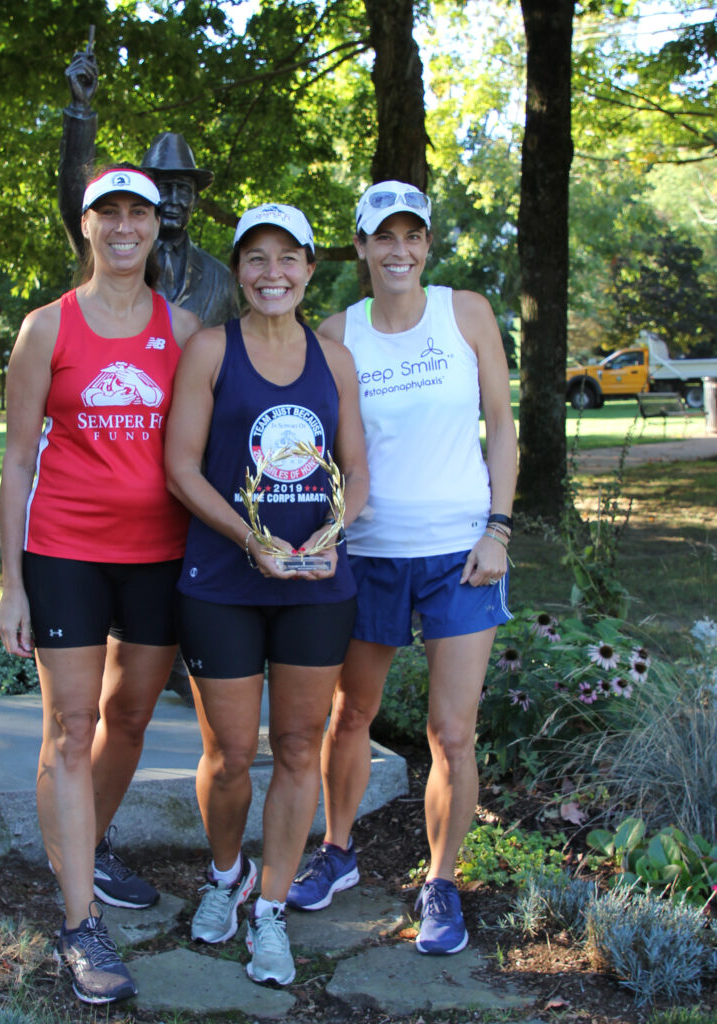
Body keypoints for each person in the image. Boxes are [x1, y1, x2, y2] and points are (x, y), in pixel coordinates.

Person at [287, 182, 517, 957]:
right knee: (350, 715)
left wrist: (499, 530)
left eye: (412, 236)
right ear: (358, 248)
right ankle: (339, 852)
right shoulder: (334, 332)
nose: (399, 250)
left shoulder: (468, 313)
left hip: (462, 553)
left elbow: (504, 431)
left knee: (451, 731)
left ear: (427, 245)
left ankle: (441, 883)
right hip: (369, 553)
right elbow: (312, 452)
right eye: (383, 237)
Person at [0, 165, 201, 1004]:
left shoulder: (184, 329)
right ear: (85, 226)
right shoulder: (46, 329)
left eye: (138, 215)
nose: (124, 228)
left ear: (157, 228)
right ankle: (79, 923)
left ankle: (92, 840)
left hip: (159, 554)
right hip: (66, 550)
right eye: (107, 214)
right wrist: (11, 582)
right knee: (72, 727)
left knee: (131, 716)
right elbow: (15, 461)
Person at [165, 203, 369, 986]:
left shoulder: (334, 361)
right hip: (222, 581)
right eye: (256, 258)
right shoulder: (212, 350)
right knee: (227, 753)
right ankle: (226, 879)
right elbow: (181, 469)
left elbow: (356, 470)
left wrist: (330, 538)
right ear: (240, 270)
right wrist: (250, 540)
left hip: (318, 586)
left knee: (294, 748)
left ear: (311, 269)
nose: (272, 272)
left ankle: (272, 909)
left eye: (289, 257)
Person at [58, 48, 238, 327]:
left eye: (183, 190)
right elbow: (74, 196)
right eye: (165, 188)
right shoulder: (117, 251)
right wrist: (80, 110)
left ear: (196, 200)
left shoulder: (220, 277)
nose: (174, 200)